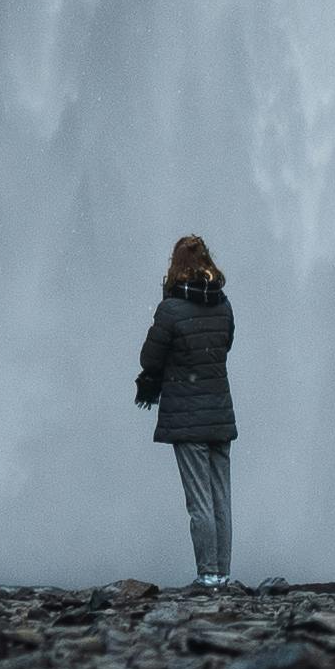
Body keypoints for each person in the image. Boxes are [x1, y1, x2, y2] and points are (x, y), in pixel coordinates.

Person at [135, 233, 236, 586]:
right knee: (221, 498)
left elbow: (149, 359)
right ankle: (223, 574)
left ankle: (207, 574)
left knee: (199, 502)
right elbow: (225, 345)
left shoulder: (171, 310)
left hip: (187, 416)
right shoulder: (223, 305)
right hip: (220, 414)